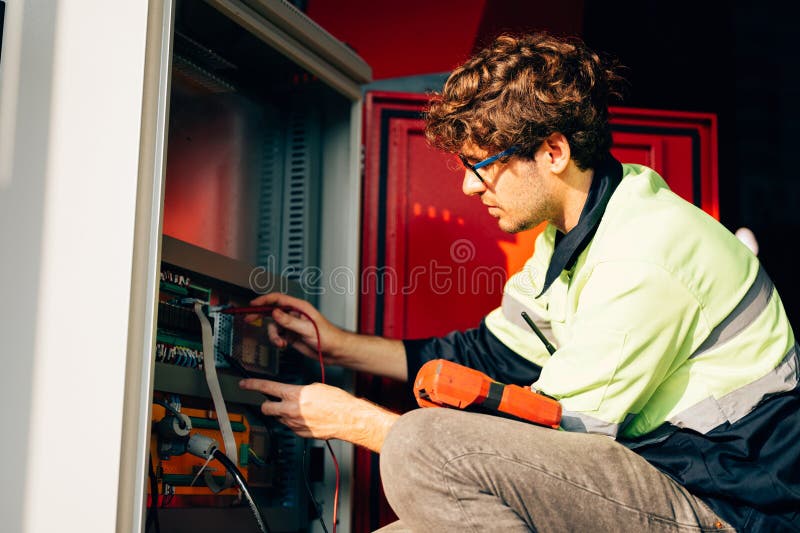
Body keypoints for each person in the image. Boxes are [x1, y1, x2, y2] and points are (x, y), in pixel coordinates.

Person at [239, 33, 800, 532]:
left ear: (553, 152)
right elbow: (490, 354)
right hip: (663, 481)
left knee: (419, 443)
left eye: (482, 164)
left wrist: (357, 421)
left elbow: (552, 438)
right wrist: (337, 345)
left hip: (729, 509)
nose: (468, 187)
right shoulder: (578, 232)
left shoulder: (643, 255)